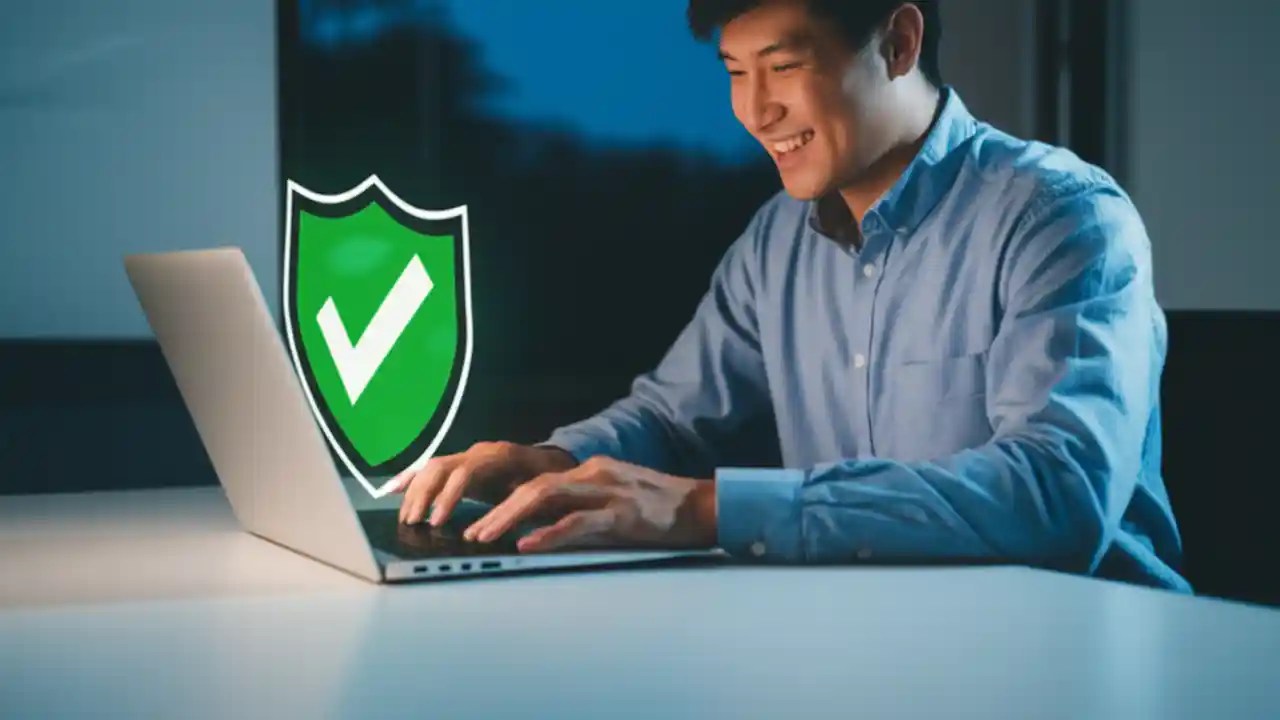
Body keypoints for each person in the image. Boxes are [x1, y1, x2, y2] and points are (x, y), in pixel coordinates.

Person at [392, 0, 1189, 591]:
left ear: (899, 41)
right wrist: (551, 463)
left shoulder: (1059, 216)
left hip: (1077, 650)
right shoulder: (778, 239)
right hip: (872, 646)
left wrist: (709, 510)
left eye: (783, 66)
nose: (754, 110)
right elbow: (673, 420)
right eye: (736, 73)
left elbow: (1056, 497)